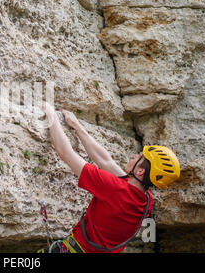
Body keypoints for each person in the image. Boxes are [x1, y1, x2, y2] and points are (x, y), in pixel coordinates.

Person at [38, 102, 180, 253]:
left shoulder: (114, 189)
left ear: (140, 172)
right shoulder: (145, 200)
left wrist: (51, 115)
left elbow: (66, 153)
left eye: (140, 157)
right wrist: (77, 127)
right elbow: (105, 161)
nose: (134, 155)